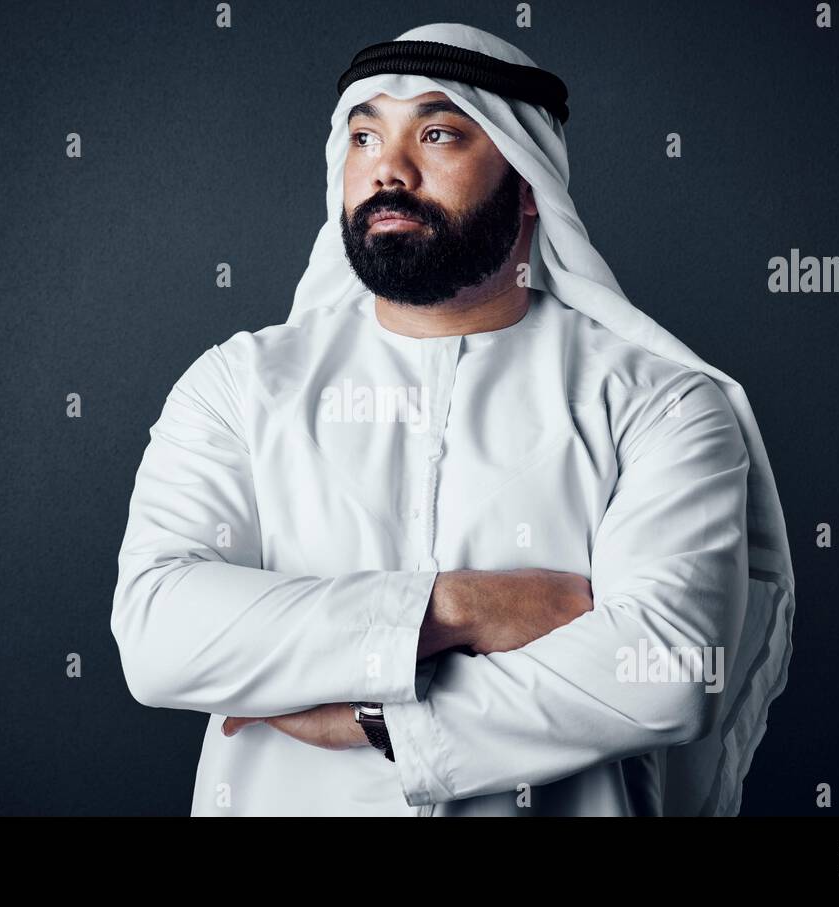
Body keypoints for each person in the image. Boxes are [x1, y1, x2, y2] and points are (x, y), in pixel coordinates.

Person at [110, 22, 796, 816]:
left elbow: (672, 669)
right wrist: (460, 606)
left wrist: (379, 723)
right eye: (364, 137)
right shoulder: (237, 385)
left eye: (437, 133)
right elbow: (160, 631)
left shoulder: (660, 403)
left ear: (528, 177)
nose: (388, 171)